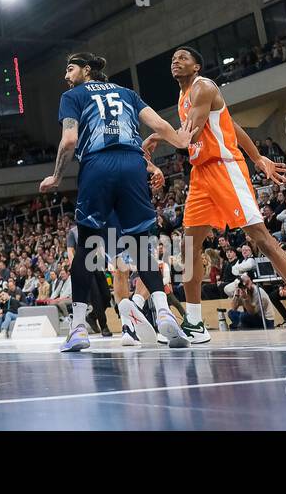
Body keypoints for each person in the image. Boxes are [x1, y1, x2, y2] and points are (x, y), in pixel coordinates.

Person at [154, 46, 286, 343]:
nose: (176, 61)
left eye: (183, 58)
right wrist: (259, 157)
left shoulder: (203, 88)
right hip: (201, 175)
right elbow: (231, 125)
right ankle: (195, 324)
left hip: (225, 170)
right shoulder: (184, 96)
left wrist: (156, 133)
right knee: (188, 246)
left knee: (262, 239)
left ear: (197, 66)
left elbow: (189, 138)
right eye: (173, 58)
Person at [39, 52, 192, 352]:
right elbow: (159, 124)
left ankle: (79, 328)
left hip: (98, 166)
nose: (66, 76)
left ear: (86, 70)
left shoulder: (72, 96)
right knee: (140, 244)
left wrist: (57, 176)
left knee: (86, 248)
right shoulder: (127, 93)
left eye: (70, 69)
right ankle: (163, 312)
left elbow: (69, 140)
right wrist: (180, 142)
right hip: (133, 164)